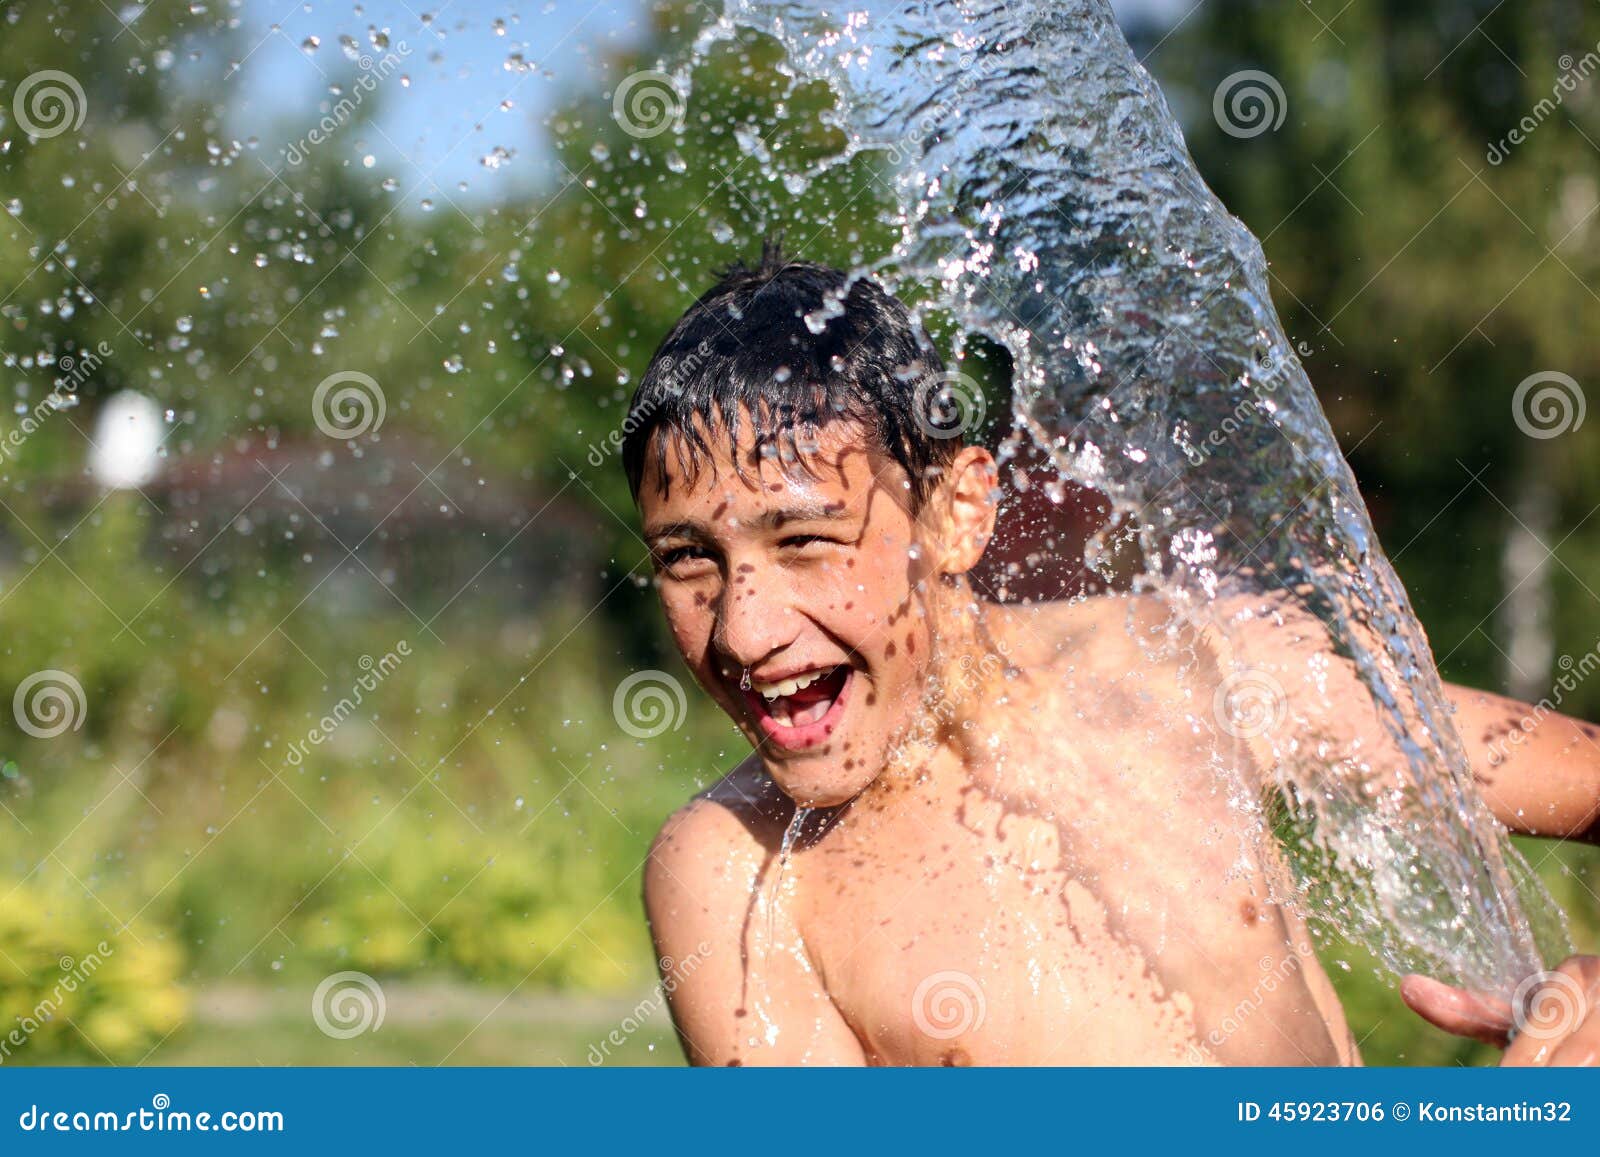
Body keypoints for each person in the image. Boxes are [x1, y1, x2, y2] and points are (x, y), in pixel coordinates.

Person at [623, 243, 1600, 1066]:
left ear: (958, 511)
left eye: (806, 541)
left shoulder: (1195, 664)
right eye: (687, 559)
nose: (744, 630)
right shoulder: (736, 873)